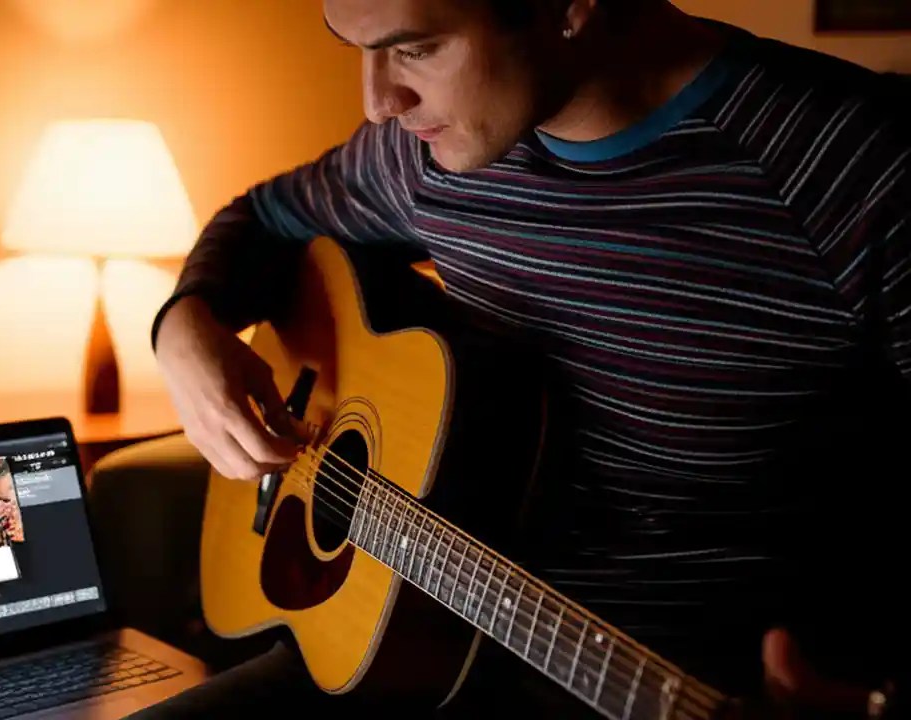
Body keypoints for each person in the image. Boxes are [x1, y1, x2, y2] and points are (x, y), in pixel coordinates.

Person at [128, 0, 910, 717]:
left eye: (417, 49)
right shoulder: (420, 154)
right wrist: (185, 326)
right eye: (358, 51)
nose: (378, 103)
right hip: (409, 642)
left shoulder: (858, 173)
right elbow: (262, 221)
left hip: (681, 683)